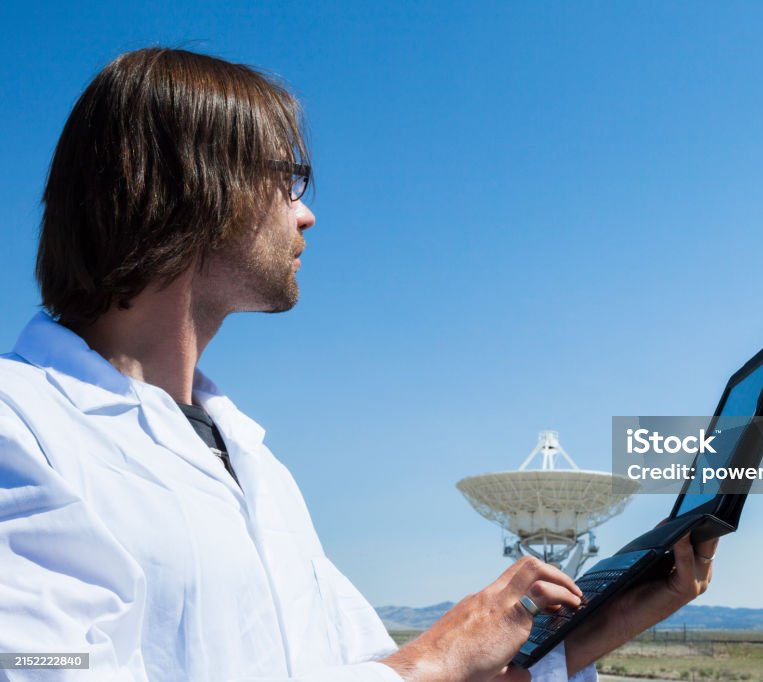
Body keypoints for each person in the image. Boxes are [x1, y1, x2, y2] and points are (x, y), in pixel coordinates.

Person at [0, 48, 719, 681]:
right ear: (199, 186)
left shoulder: (257, 472)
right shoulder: (22, 428)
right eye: (289, 179)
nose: (305, 214)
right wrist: (427, 661)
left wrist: (591, 636)